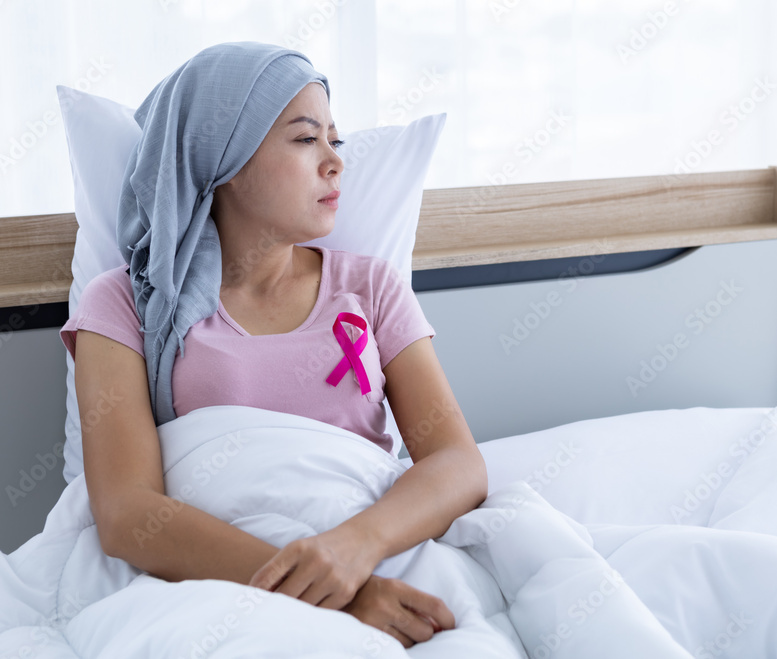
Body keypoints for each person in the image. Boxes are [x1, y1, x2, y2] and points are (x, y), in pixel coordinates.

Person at [60, 42, 488, 648]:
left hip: (372, 550)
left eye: (334, 142)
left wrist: (353, 549)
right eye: (305, 139)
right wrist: (339, 598)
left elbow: (458, 463)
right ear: (225, 159)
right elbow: (129, 514)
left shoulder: (369, 288)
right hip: (213, 580)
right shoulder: (125, 303)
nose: (335, 162)